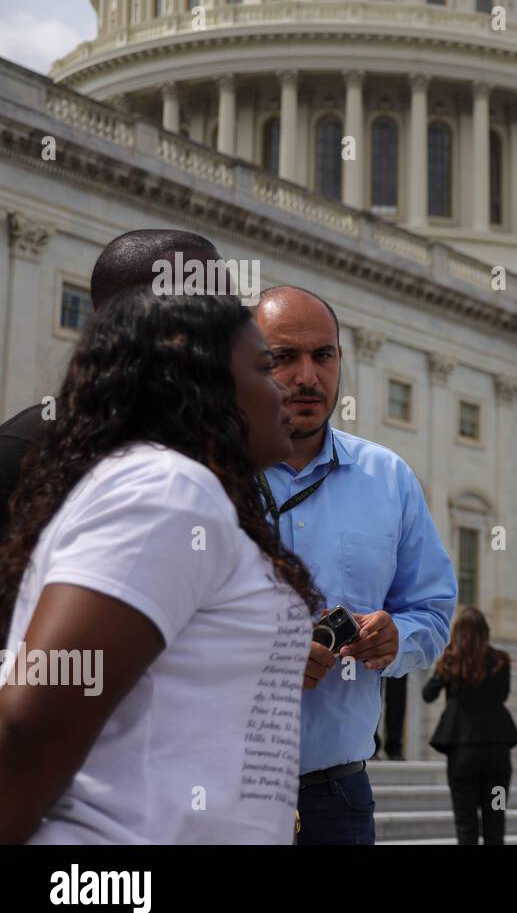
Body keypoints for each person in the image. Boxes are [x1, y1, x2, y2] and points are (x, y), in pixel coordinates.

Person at [0, 286, 320, 843]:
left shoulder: (189, 494)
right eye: (266, 368)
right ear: (200, 387)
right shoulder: (168, 488)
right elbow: (31, 724)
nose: (284, 392)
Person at [252, 285, 456, 846]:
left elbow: (433, 613)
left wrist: (397, 640)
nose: (308, 377)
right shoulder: (204, 473)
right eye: (283, 357)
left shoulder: (387, 478)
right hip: (216, 788)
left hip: (337, 799)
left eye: (324, 355)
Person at [0, 229, 226, 537]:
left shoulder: (222, 454)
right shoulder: (22, 450)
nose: (225, 335)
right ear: (115, 324)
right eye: (197, 311)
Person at [422, 605, 517, 845]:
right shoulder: (500, 661)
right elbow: (502, 696)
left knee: (466, 824)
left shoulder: (450, 661)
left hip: (463, 755)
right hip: (498, 756)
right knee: (495, 820)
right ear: (485, 631)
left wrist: (444, 670)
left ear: (457, 633)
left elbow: (428, 694)